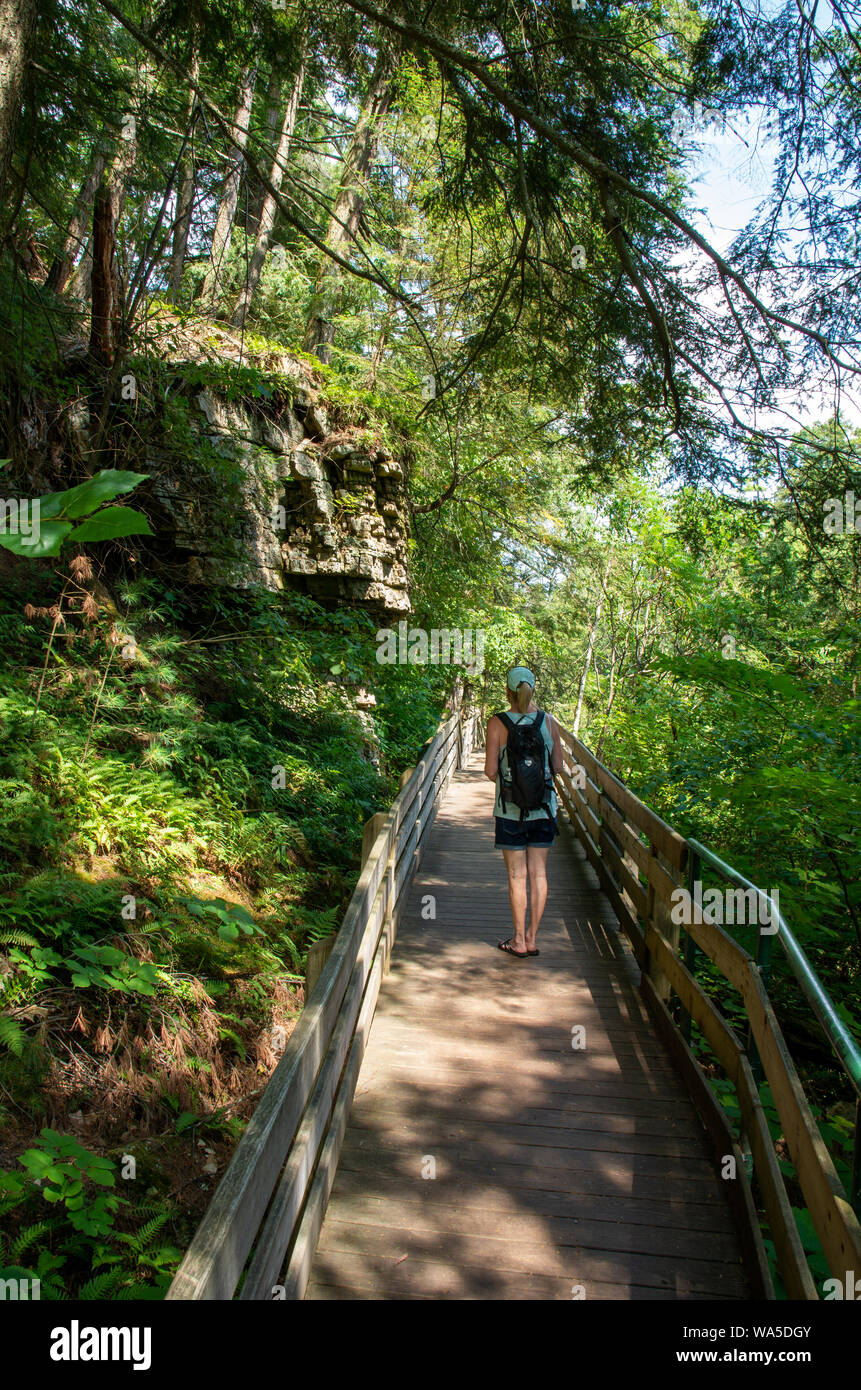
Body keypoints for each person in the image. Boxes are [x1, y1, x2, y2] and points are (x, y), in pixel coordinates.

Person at [484, 666, 563, 959]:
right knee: (538, 874)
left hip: (509, 811)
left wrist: (512, 783)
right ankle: (531, 938)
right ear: (532, 689)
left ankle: (517, 940)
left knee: (517, 876)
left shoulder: (497, 723)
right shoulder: (548, 722)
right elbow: (558, 767)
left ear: (508, 690)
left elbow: (490, 770)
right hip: (544, 810)